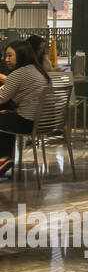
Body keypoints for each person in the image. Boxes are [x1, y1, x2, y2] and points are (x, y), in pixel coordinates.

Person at [0, 41, 51, 178]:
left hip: (28, 123)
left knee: (4, 118)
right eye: (6, 56)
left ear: (21, 55)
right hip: (45, 122)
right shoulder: (37, 70)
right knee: (5, 117)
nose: (6, 59)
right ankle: (3, 159)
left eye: (10, 56)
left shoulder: (18, 74)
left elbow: (1, 99)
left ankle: (4, 159)